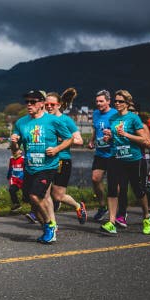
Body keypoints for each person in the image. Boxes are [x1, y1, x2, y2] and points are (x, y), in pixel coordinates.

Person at [10, 90, 72, 244]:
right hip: (30, 167)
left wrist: (57, 149)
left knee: (35, 196)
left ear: (41, 103)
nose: (29, 105)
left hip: (48, 166)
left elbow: (69, 139)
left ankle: (51, 225)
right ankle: (46, 227)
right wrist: (13, 143)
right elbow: (16, 153)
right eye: (27, 102)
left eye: (33, 102)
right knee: (32, 203)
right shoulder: (21, 123)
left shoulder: (53, 121)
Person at [99, 90, 150, 236]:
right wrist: (109, 138)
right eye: (115, 101)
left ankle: (147, 217)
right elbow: (115, 138)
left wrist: (127, 134)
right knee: (112, 189)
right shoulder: (113, 118)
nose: (117, 103)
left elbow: (146, 141)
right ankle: (111, 222)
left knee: (138, 190)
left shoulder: (134, 119)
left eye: (120, 101)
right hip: (116, 158)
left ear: (128, 103)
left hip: (133, 159)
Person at [45, 89, 87, 224]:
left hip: (62, 160)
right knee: (42, 190)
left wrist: (63, 139)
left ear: (59, 105)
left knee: (58, 195)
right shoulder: (44, 120)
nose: (49, 107)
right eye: (47, 104)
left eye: (52, 104)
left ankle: (78, 206)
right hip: (46, 160)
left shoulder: (66, 120)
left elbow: (79, 140)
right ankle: (46, 219)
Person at [89, 90, 118, 222]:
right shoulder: (95, 114)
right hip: (100, 153)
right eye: (97, 101)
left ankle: (118, 211)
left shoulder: (115, 114)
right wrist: (91, 140)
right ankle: (102, 206)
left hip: (113, 153)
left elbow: (121, 131)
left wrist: (111, 136)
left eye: (101, 101)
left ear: (108, 101)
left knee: (115, 186)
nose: (98, 104)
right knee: (95, 179)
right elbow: (95, 129)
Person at [7, 147, 25, 213]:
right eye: (12, 150)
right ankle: (17, 204)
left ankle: (33, 209)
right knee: (11, 190)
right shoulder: (11, 159)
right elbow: (10, 168)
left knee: (26, 196)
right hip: (15, 180)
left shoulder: (23, 159)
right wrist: (8, 176)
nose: (13, 151)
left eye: (15, 150)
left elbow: (26, 169)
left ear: (20, 151)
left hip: (23, 180)